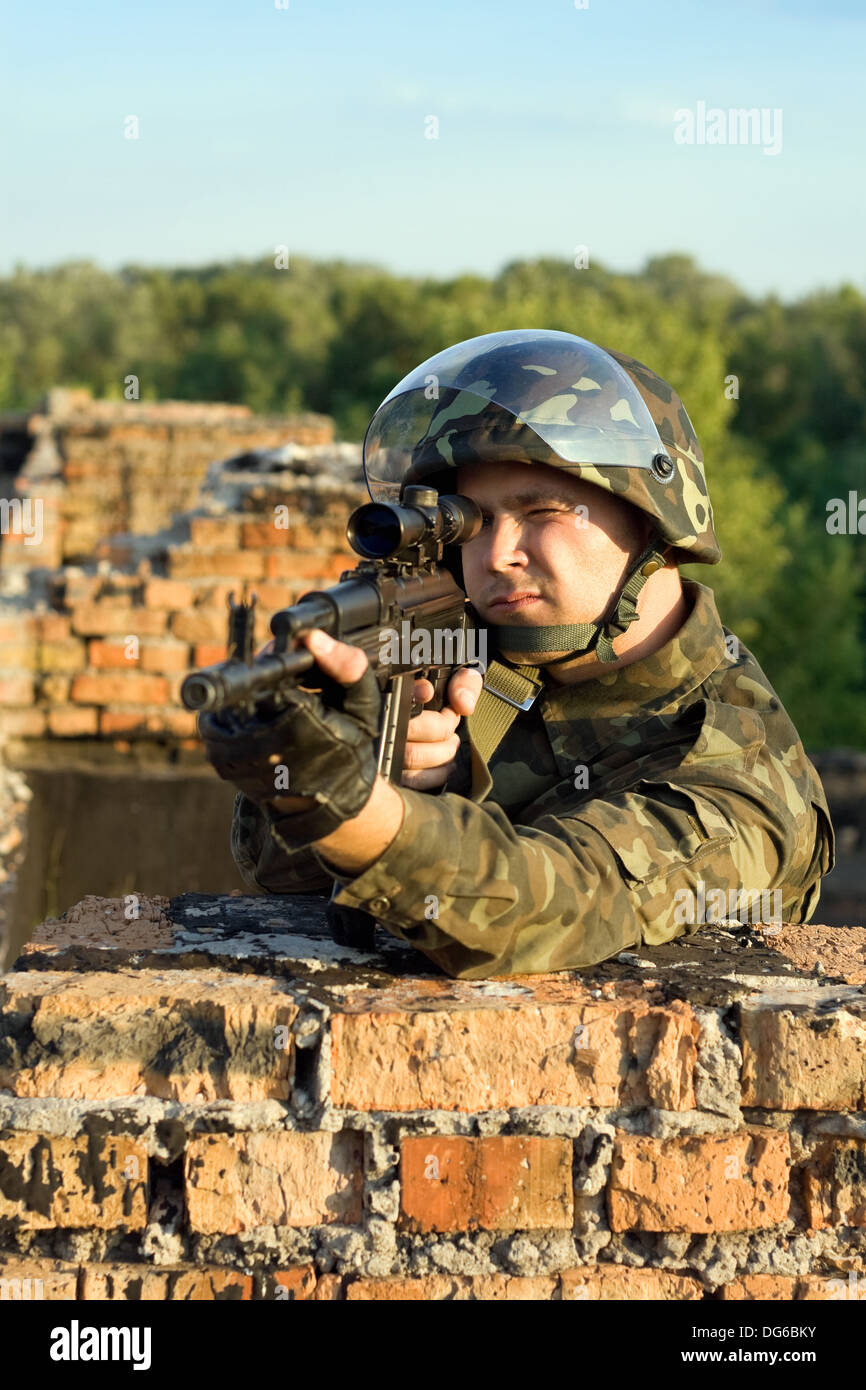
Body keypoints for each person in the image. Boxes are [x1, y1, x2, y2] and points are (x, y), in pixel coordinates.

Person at [203, 329, 835, 978]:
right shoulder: (475, 655)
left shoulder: (741, 768)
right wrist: (359, 756)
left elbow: (547, 904)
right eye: (473, 521)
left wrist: (358, 808)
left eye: (541, 511)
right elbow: (275, 872)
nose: (498, 554)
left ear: (651, 525)